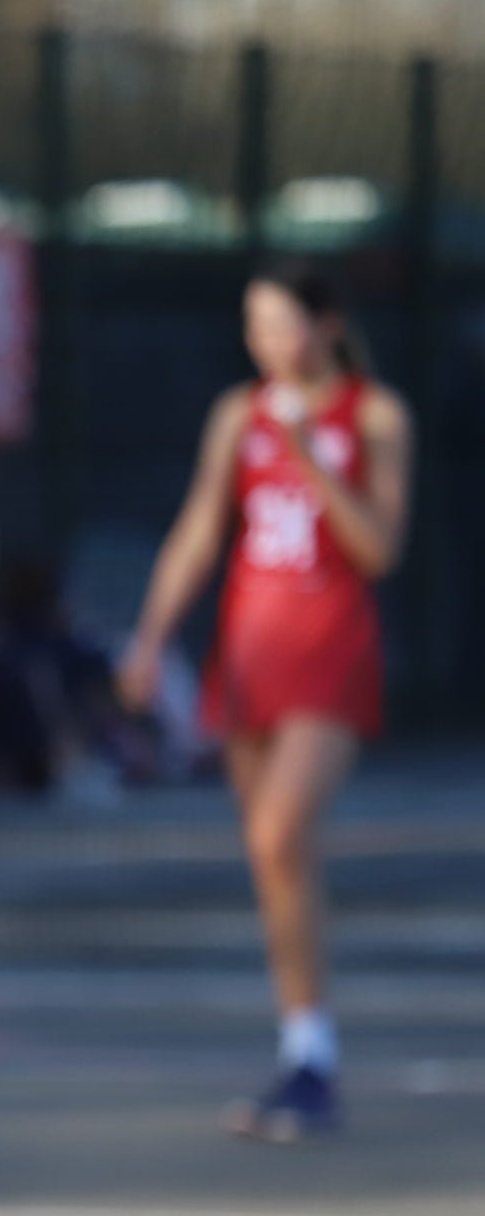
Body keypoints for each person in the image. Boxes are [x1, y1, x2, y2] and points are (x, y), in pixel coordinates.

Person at [118, 264, 412, 1141]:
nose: (269, 343)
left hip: (331, 654)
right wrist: (148, 636)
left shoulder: (374, 413)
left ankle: (312, 1053)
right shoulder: (236, 414)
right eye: (255, 325)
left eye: (284, 323)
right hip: (250, 653)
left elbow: (379, 546)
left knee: (279, 833)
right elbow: (201, 532)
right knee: (279, 860)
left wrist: (315, 455)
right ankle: (305, 1050)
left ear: (325, 325)